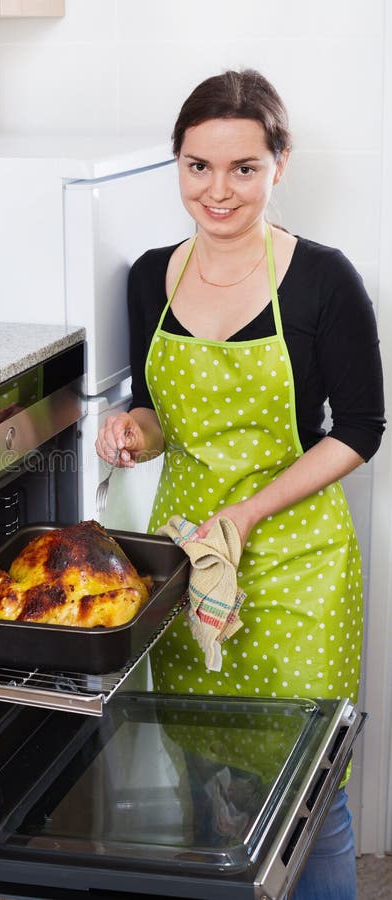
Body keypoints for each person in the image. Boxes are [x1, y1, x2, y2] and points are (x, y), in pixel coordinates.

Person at [96, 68, 385, 899]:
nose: (217, 191)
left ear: (278, 164)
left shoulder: (324, 279)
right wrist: (131, 433)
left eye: (242, 168)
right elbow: (154, 412)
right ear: (178, 165)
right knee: (202, 770)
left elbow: (360, 430)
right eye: (197, 167)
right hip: (188, 563)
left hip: (297, 564)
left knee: (308, 795)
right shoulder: (150, 274)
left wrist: (250, 512)